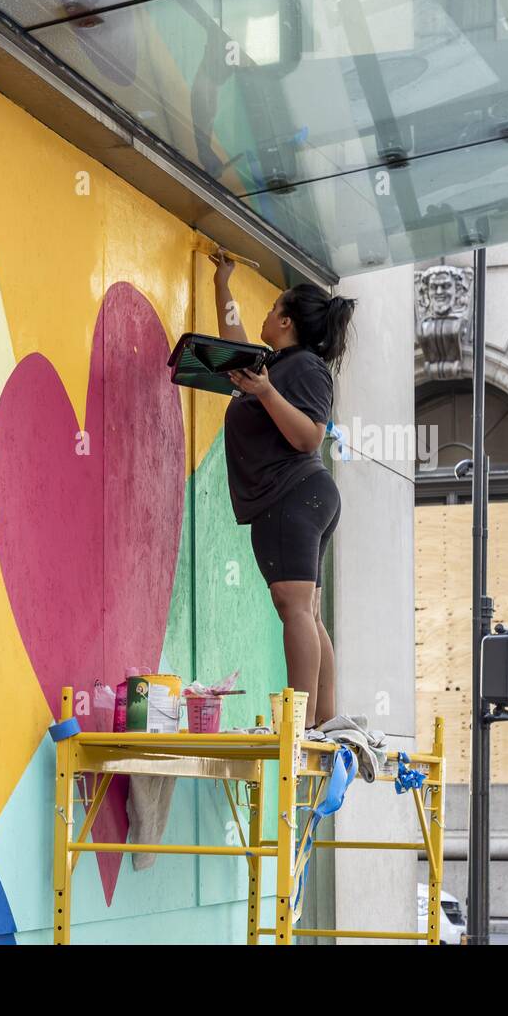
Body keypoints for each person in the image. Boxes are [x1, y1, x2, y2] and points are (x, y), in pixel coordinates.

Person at [211, 250, 355, 726]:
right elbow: (234, 343)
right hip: (302, 496)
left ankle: (302, 724)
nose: (265, 314)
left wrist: (266, 393)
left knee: (294, 607)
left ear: (287, 321)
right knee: (306, 611)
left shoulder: (305, 368)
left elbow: (310, 434)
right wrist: (222, 282)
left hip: (292, 495)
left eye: (273, 308)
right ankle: (322, 721)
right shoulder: (275, 365)